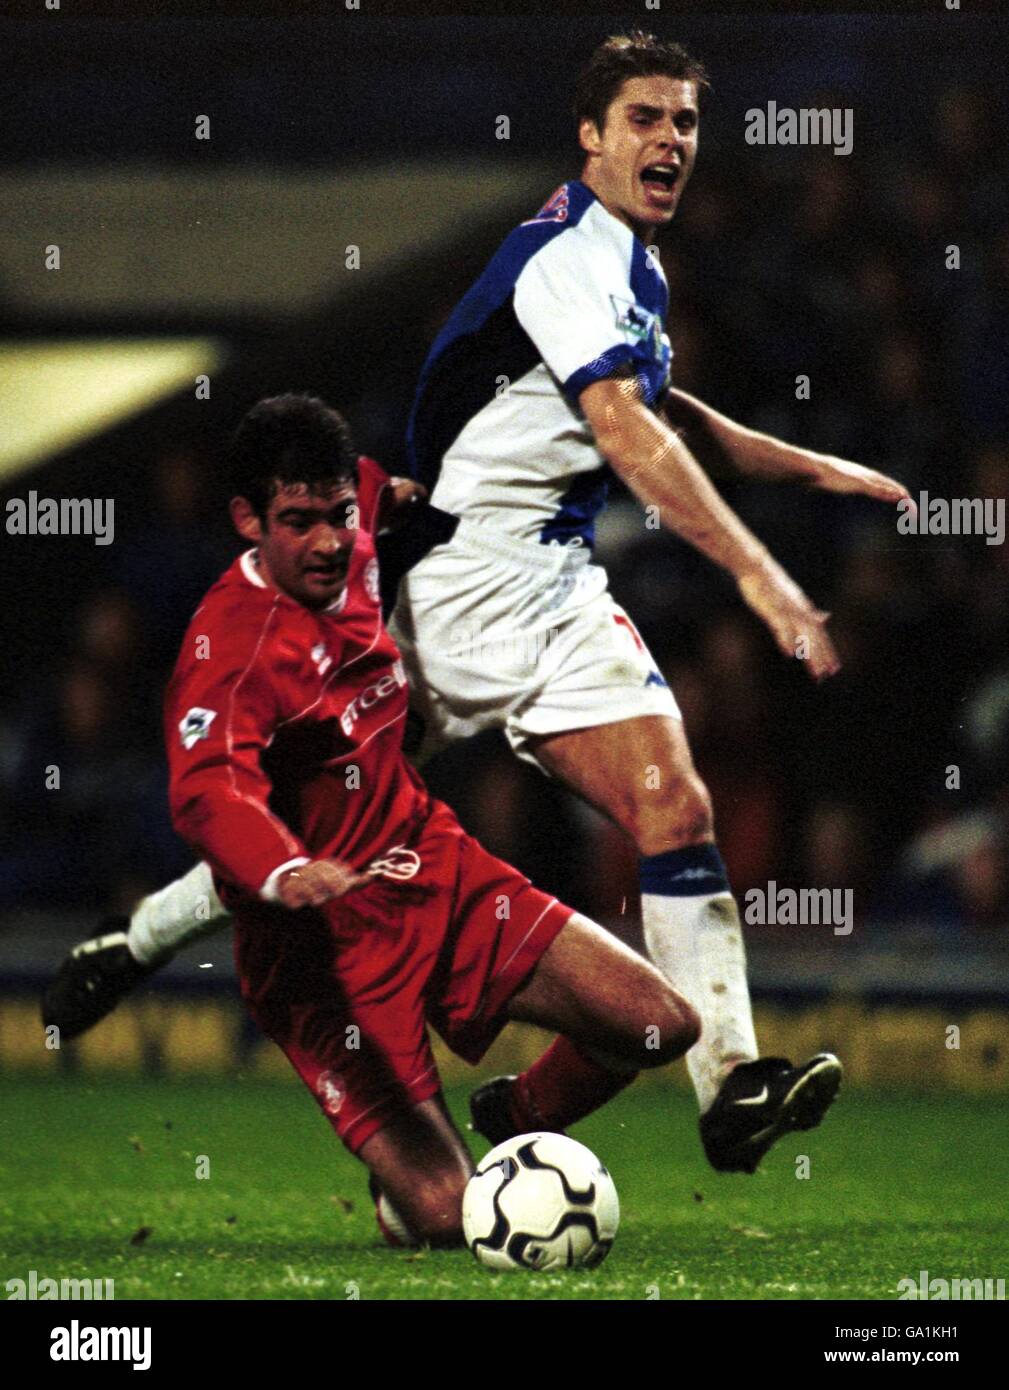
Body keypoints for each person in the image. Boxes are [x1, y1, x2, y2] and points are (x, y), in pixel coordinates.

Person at [45, 31, 908, 1175]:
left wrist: (808, 466)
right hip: (452, 593)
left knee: (674, 802)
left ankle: (723, 1087)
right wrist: (757, 573)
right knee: (315, 828)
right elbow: (617, 425)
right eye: (644, 118)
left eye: (686, 122)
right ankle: (139, 936)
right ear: (591, 136)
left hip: (556, 591)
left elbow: (666, 407)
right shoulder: (561, 256)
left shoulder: (630, 270)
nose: (671, 141)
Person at [159, 393, 703, 1243]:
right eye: (297, 522)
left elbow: (385, 491)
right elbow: (207, 790)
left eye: (337, 514)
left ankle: (518, 1118)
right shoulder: (230, 651)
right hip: (320, 956)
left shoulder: (360, 531)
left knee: (658, 1025)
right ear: (246, 521)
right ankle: (415, 1192)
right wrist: (282, 868)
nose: (330, 541)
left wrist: (403, 500)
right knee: (454, 1225)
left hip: (430, 869)